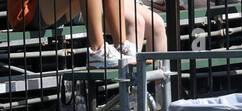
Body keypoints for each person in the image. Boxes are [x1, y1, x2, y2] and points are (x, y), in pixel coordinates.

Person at [23, 0, 167, 66]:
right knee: (133, 20)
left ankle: (121, 45)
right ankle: (98, 50)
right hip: (30, 10)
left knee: (156, 24)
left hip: (66, 10)